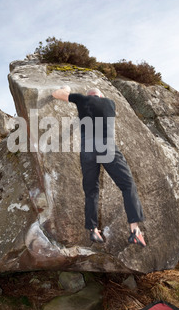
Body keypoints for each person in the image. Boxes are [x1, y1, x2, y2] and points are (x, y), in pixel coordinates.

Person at [52, 85, 146, 247]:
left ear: (89, 96)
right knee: (127, 185)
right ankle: (135, 231)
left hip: (88, 150)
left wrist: (66, 88)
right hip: (106, 147)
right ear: (101, 96)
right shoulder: (110, 103)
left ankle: (94, 230)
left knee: (91, 190)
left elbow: (56, 94)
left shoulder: (81, 99)